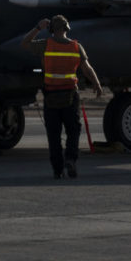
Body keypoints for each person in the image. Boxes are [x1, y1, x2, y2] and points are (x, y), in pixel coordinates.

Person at [26, 15, 102, 178]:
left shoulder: (45, 45)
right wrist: (96, 83)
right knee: (73, 131)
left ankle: (57, 169)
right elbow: (87, 68)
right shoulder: (76, 47)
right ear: (67, 28)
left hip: (51, 96)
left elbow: (25, 44)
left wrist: (38, 28)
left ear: (51, 29)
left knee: (53, 135)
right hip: (70, 96)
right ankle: (71, 160)